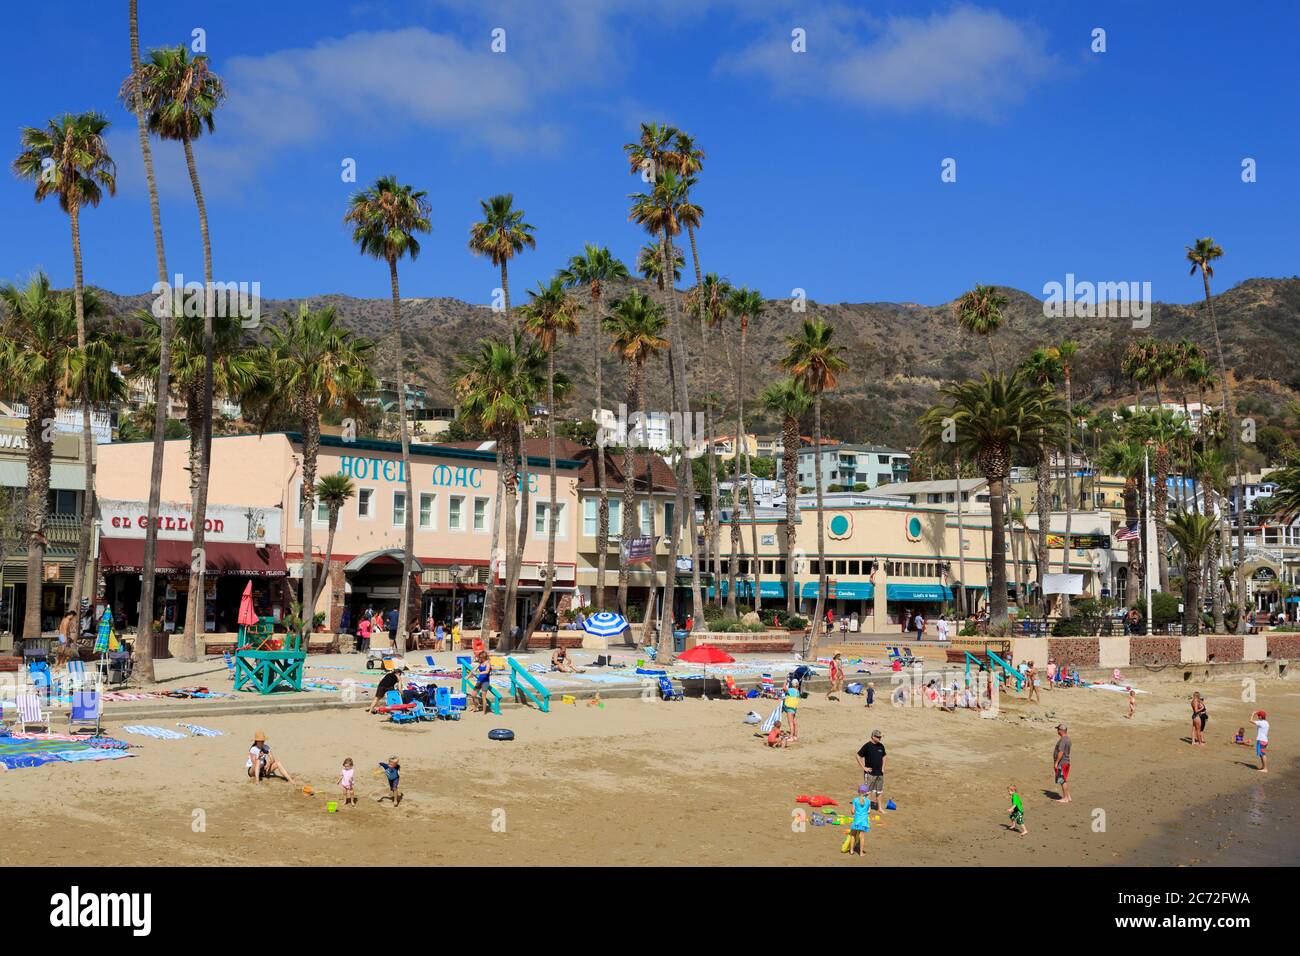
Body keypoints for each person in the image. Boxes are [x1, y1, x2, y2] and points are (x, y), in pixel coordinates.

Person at [856, 729, 886, 810]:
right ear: (873, 737)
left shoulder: (881, 746)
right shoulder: (867, 746)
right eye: (878, 737)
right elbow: (858, 756)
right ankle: (868, 808)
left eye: (880, 737)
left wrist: (883, 767)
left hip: (879, 773)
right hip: (870, 773)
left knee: (879, 791)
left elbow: (884, 756)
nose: (880, 738)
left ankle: (880, 808)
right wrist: (864, 767)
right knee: (868, 791)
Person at [849, 784, 871, 856]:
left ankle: (851, 850)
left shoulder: (855, 800)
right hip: (864, 821)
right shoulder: (868, 801)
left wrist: (854, 812)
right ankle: (861, 853)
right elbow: (869, 811)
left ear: (858, 791)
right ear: (866, 792)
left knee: (853, 835)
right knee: (862, 837)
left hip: (856, 821)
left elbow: (852, 811)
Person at [1053, 723, 1072, 803]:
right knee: (1063, 779)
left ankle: (1065, 798)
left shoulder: (1063, 740)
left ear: (1061, 730)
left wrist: (1056, 762)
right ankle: (1068, 796)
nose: (1057, 731)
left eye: (1058, 729)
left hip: (1062, 762)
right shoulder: (1068, 739)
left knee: (1062, 780)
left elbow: (1061, 752)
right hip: (1066, 761)